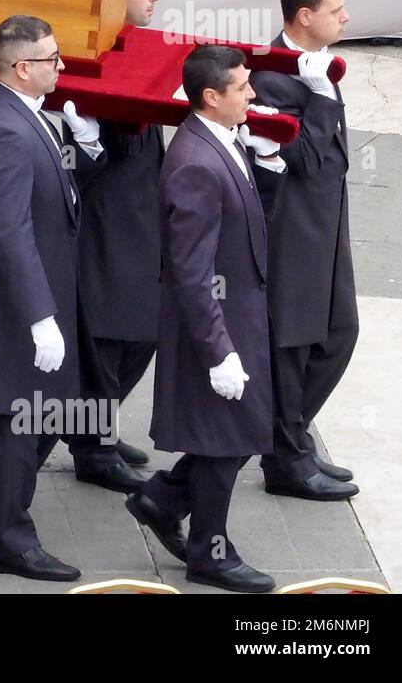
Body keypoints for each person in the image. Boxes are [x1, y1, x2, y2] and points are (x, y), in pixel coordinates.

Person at [126, 45, 286, 593]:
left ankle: (163, 498)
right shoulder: (196, 162)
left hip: (236, 315)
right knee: (224, 440)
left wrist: (265, 167)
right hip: (215, 326)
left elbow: (235, 222)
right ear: (211, 97)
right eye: (243, 88)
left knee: (237, 433)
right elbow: (192, 272)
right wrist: (219, 352)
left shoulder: (219, 140)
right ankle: (209, 553)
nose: (254, 95)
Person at [0, 15, 86, 582]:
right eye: (54, 58)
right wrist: (39, 317)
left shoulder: (25, 114)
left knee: (39, 411)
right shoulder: (6, 127)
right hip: (15, 302)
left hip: (36, 290)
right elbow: (10, 230)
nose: (62, 66)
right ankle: (10, 542)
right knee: (18, 421)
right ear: (23, 67)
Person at [57, 0, 163, 493]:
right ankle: (91, 447)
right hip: (103, 223)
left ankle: (93, 430)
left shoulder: (142, 50)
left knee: (141, 335)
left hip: (143, 219)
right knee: (109, 339)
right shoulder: (89, 56)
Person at [252, 0, 359, 501]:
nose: (346, 16)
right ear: (304, 15)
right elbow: (309, 159)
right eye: (336, 8)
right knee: (292, 347)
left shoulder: (315, 66)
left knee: (340, 335)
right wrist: (318, 96)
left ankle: (290, 436)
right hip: (292, 236)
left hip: (326, 229)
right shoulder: (271, 81)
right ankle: (285, 458)